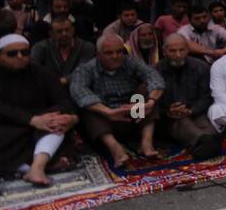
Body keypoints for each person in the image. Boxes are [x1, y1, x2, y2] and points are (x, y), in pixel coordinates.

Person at [0, 34, 77, 186]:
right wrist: (32, 120)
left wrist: (65, 118)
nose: (20, 56)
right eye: (12, 53)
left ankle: (37, 167)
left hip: (40, 130)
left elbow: (63, 100)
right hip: (4, 132)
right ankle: (33, 167)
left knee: (55, 121)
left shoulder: (42, 73)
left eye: (24, 52)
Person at [70, 33, 163, 166]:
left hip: (135, 114)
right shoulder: (86, 69)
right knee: (88, 107)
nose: (115, 56)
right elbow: (78, 91)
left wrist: (150, 103)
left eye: (119, 52)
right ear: (99, 53)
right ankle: (115, 149)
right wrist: (107, 111)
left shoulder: (130, 61)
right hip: (107, 120)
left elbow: (154, 76)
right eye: (109, 53)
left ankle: (146, 142)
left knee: (148, 89)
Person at [156, 33, 221, 159]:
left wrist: (191, 110)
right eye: (173, 51)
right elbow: (153, 104)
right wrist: (169, 112)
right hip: (171, 119)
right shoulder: (156, 71)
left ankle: (206, 144)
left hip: (195, 111)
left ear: (188, 50)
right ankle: (207, 144)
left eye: (182, 50)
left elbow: (207, 97)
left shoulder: (201, 67)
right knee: (184, 124)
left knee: (207, 127)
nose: (178, 55)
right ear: (164, 52)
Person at [31, 15, 96, 86]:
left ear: (73, 30)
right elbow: (34, 70)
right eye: (59, 31)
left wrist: (63, 81)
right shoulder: (40, 47)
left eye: (67, 30)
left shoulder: (86, 47)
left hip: (77, 86)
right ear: (51, 33)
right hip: (48, 88)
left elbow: (84, 71)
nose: (64, 34)